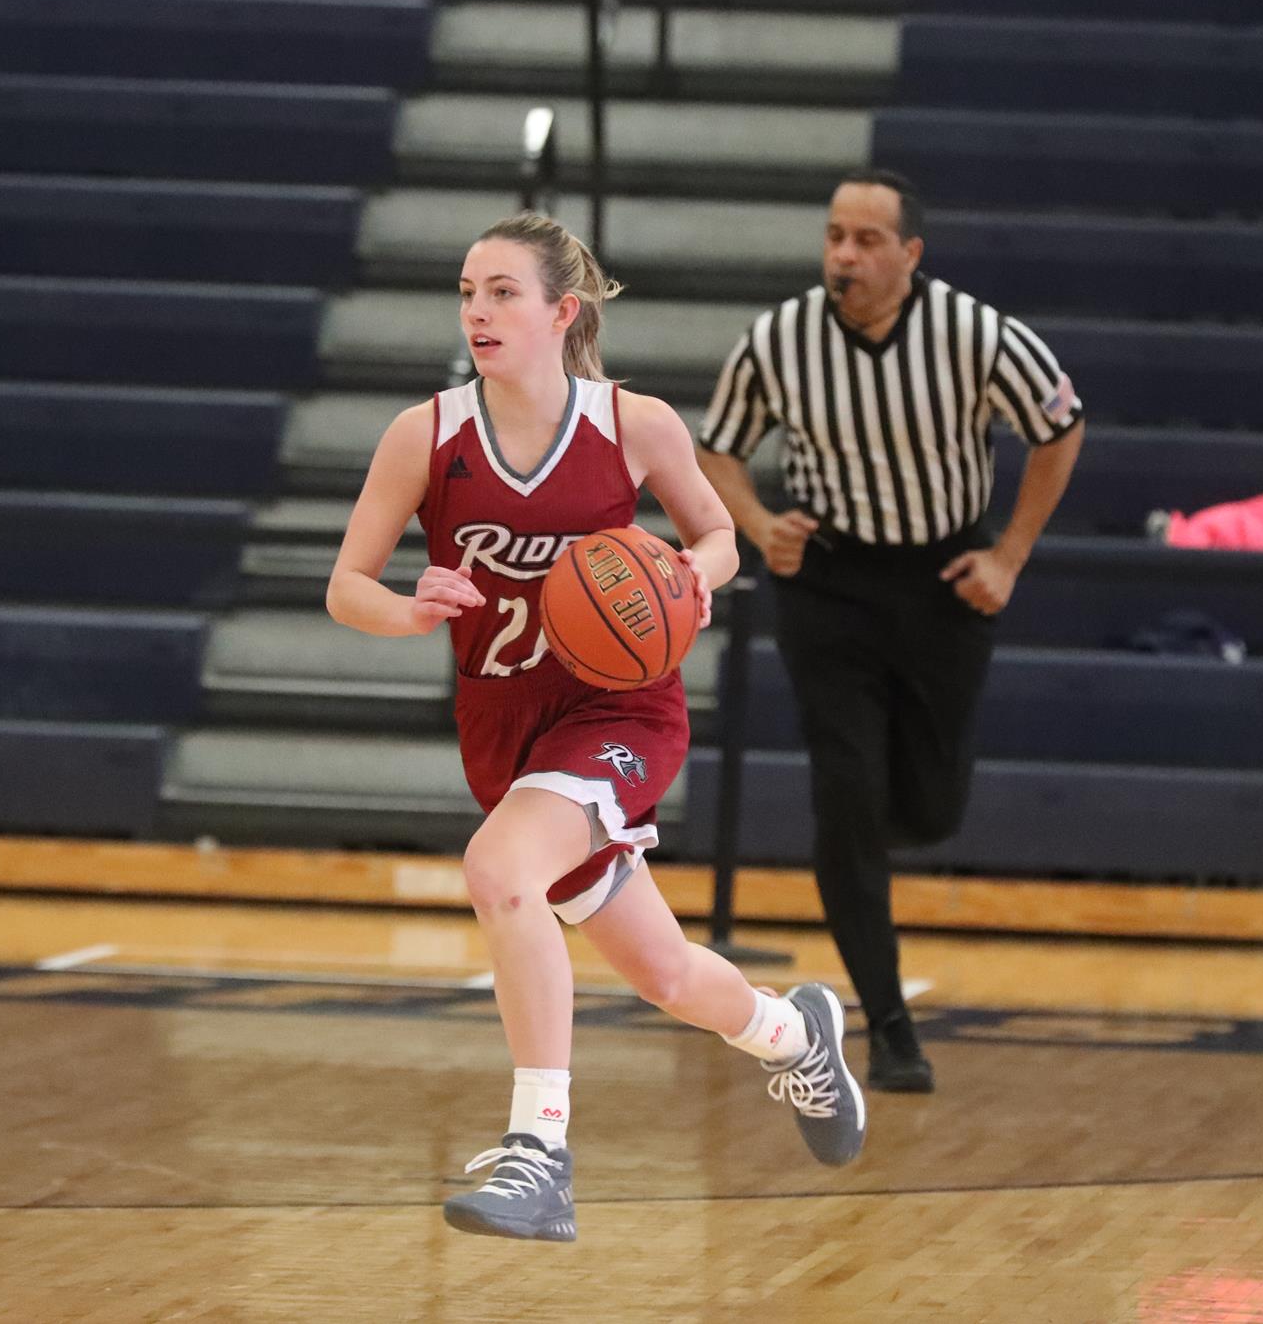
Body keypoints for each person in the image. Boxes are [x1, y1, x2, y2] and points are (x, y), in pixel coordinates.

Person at [328, 211, 865, 1243]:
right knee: (664, 974)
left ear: (559, 311)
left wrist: (682, 578)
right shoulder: (426, 435)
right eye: (466, 291)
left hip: (618, 711)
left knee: (497, 871)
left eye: (501, 292)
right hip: (503, 726)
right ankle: (796, 1035)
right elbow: (345, 583)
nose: (477, 310)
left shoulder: (633, 424)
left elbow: (718, 539)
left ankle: (540, 1153)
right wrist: (408, 606)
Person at [697, 169, 1085, 1095]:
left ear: (911, 254)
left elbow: (1061, 426)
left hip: (942, 579)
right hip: (828, 584)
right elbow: (715, 446)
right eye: (835, 235)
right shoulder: (779, 339)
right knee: (847, 792)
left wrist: (1010, 555)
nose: (845, 256)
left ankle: (880, 865)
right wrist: (758, 525)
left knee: (928, 805)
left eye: (868, 240)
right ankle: (890, 1026)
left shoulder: (975, 333)